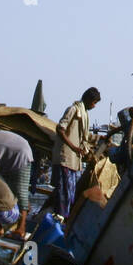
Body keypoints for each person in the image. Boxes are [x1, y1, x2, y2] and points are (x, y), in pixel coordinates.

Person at [52, 87, 99, 218]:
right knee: (64, 192)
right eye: (94, 103)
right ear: (89, 100)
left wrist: (99, 139)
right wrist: (73, 147)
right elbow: (60, 129)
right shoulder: (73, 109)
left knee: (70, 192)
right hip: (66, 157)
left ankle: (64, 218)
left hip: (74, 160)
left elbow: (84, 136)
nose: (94, 106)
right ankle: (60, 218)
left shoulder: (84, 113)